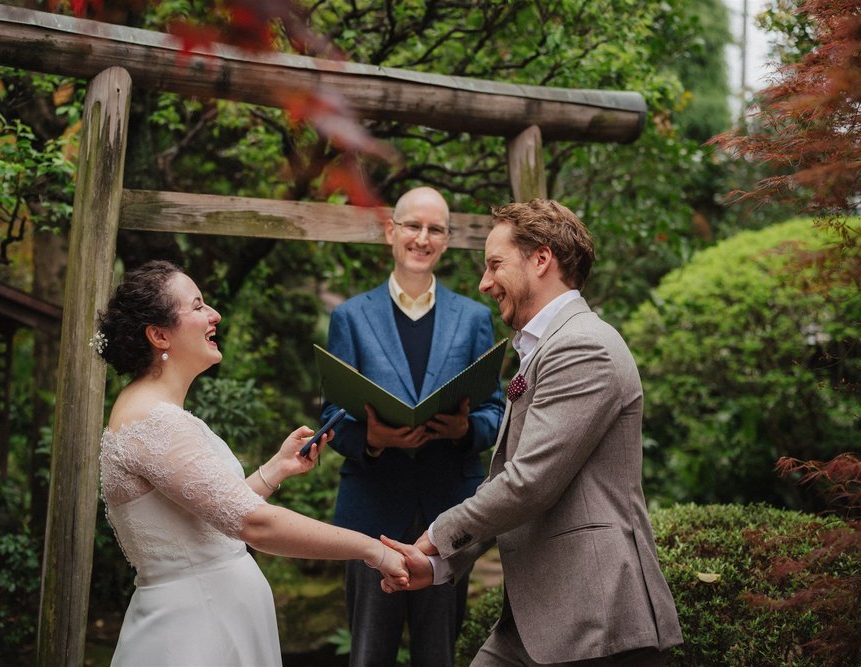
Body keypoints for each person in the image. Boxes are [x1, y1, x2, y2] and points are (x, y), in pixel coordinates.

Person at [382, 200, 684, 666]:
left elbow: (529, 482)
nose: (484, 283)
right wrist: (443, 564)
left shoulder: (584, 346)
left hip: (595, 617)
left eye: (495, 264)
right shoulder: (544, 349)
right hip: (540, 616)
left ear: (541, 259)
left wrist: (437, 536)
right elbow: (507, 479)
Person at [93, 260, 408, 667]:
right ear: (159, 335)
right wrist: (373, 551)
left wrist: (276, 468)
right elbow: (254, 525)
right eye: (198, 306)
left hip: (209, 615)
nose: (214, 314)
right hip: (197, 633)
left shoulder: (152, 412)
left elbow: (208, 518)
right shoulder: (154, 421)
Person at [320, 187, 504, 666]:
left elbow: (496, 414)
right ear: (391, 232)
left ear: (446, 240)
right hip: (371, 514)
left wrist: (463, 430)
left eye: (435, 229)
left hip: (448, 514)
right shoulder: (350, 317)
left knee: (438, 656)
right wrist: (372, 441)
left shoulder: (475, 318)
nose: (422, 238)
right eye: (413, 226)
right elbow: (331, 418)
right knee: (369, 655)